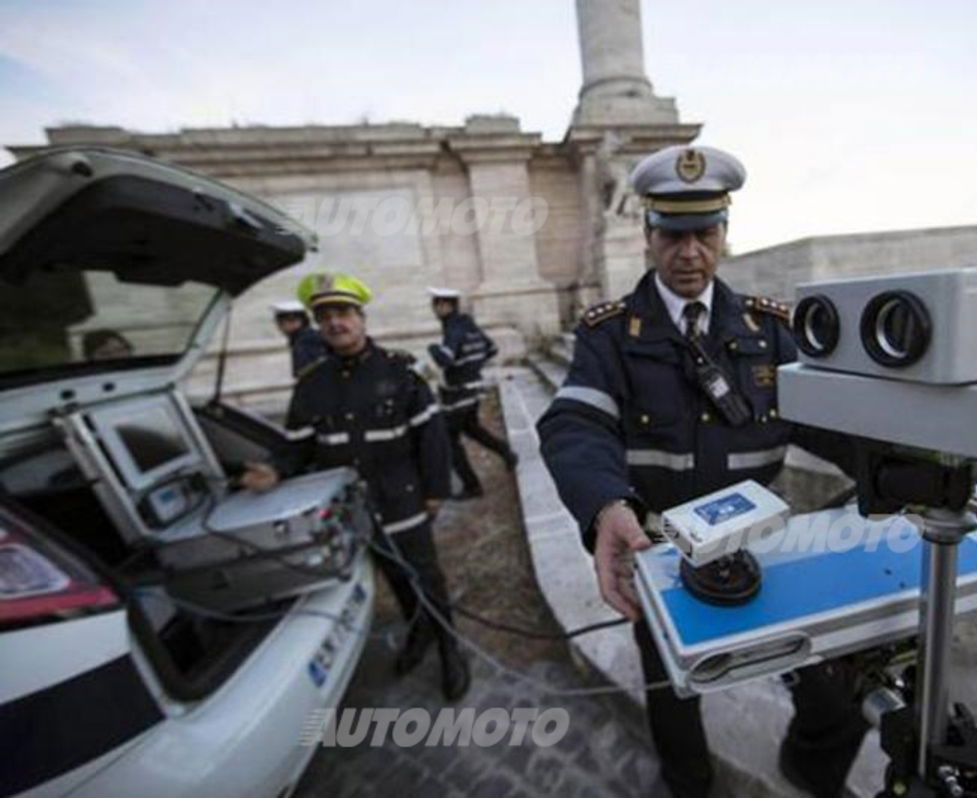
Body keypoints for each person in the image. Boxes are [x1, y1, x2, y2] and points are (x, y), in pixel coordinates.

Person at [536, 145, 866, 798]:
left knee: (831, 692)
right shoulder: (608, 335)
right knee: (672, 690)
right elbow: (575, 423)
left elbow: (835, 425)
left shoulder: (771, 330)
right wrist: (606, 505)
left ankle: (809, 765)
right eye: (674, 235)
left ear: (724, 233)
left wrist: (911, 461)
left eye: (705, 233)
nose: (690, 253)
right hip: (657, 549)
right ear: (648, 235)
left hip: (762, 545)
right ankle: (687, 784)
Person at [242, 273, 470, 701]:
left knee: (425, 575)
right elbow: (297, 445)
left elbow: (432, 436)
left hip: (403, 499)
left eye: (344, 312)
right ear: (318, 325)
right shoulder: (311, 384)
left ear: (361, 318)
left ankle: (449, 648)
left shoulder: (401, 371)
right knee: (394, 576)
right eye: (325, 316)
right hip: (353, 509)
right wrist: (274, 471)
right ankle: (418, 632)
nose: (335, 322)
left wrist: (435, 491)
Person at [426, 286, 518, 499]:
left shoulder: (453, 328)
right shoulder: (467, 323)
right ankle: (505, 451)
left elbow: (445, 359)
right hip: (473, 388)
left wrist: (433, 349)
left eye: (436, 305)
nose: (434, 310)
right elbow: (491, 349)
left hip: (458, 394)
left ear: (446, 305)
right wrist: (473, 367)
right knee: (472, 428)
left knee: (449, 440)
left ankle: (472, 486)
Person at [271, 300, 328, 377]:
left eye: (281, 322)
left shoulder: (306, 340)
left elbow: (305, 371)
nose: (279, 327)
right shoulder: (304, 337)